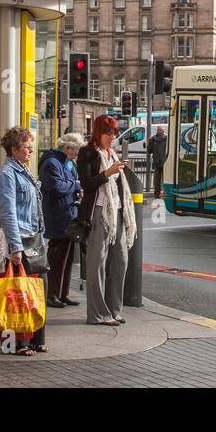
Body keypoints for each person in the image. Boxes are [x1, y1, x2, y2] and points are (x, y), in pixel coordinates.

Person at [0, 125, 49, 355]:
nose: (31, 151)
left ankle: (36, 337)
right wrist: (15, 248)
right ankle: (18, 343)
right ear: (14, 149)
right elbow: (8, 213)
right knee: (16, 291)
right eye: (27, 147)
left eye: (31, 146)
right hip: (17, 238)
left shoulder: (25, 171)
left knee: (36, 288)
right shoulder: (7, 174)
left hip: (32, 237)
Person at [77, 114, 136, 326]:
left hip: (116, 212)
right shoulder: (88, 153)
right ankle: (97, 314)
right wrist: (108, 173)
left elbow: (119, 186)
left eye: (114, 134)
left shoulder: (112, 153)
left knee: (120, 260)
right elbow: (87, 183)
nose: (112, 138)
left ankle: (113, 309)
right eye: (108, 133)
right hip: (97, 211)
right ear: (98, 133)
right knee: (97, 264)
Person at [38, 132, 84, 308]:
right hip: (57, 214)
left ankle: (63, 293)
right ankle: (51, 294)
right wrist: (77, 185)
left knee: (68, 256)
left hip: (69, 213)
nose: (76, 155)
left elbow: (71, 182)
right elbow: (56, 187)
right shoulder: (51, 163)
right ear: (67, 148)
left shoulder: (68, 162)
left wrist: (75, 185)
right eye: (76, 151)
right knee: (57, 258)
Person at [147, 127, 168, 199]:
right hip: (165, 161)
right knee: (165, 179)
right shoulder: (166, 138)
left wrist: (149, 143)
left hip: (156, 161)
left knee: (157, 179)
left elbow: (149, 150)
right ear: (163, 131)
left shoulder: (153, 139)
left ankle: (156, 194)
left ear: (157, 131)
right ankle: (166, 194)